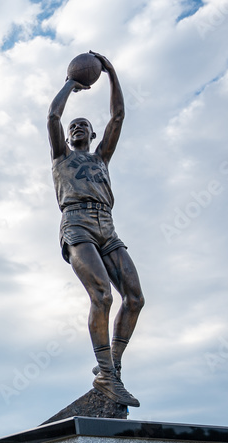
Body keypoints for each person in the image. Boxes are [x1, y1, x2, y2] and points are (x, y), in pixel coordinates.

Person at [48, 51, 144, 407]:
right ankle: (106, 372)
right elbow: (53, 115)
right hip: (77, 223)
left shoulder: (101, 157)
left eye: (83, 125)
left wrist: (113, 74)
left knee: (134, 297)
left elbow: (118, 116)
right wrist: (71, 83)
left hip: (107, 224)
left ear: (90, 134)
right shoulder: (61, 157)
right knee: (102, 295)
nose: (76, 128)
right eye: (73, 126)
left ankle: (111, 368)